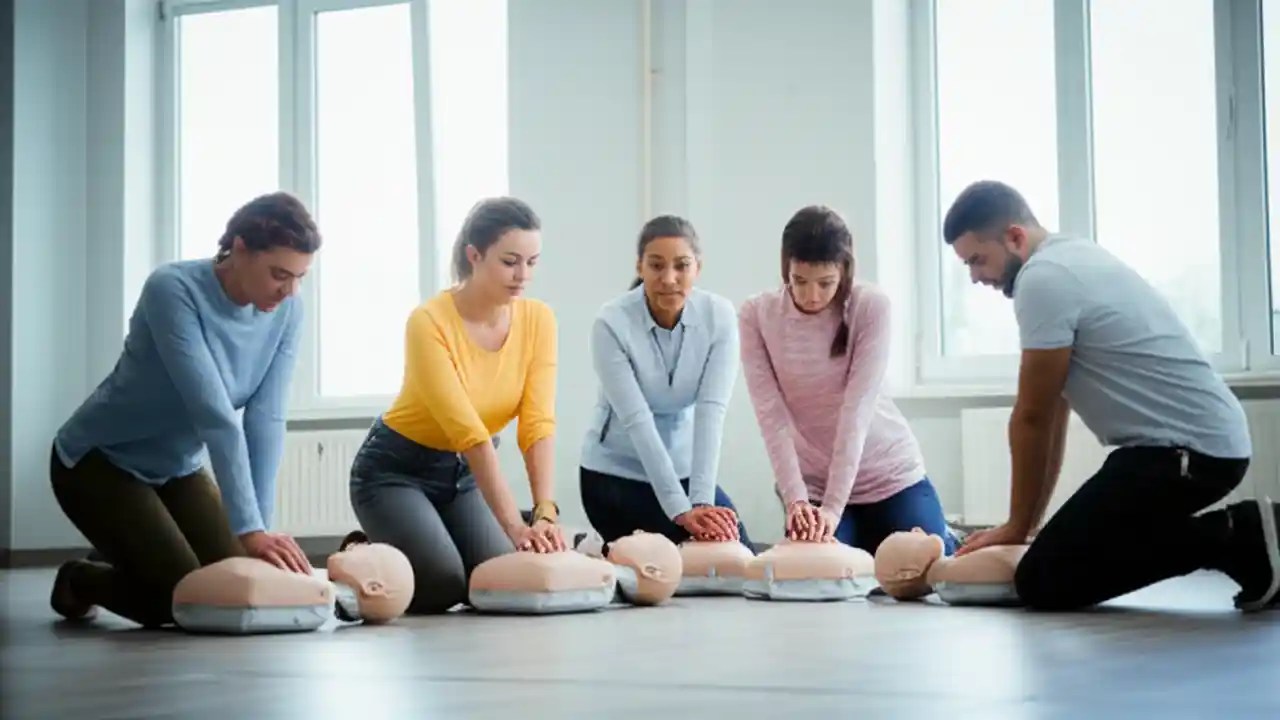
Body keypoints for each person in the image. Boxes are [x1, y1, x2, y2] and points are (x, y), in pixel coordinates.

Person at [944, 179, 1278, 612]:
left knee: (1044, 581)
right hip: (1186, 450)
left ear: (1014, 237)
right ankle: (1239, 537)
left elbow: (1033, 416)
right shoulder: (1070, 256)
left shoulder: (1043, 279)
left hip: (1186, 455)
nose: (974, 277)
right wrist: (1030, 525)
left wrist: (1016, 525)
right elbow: (1054, 410)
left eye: (978, 260)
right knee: (1058, 561)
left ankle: (1237, 534)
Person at [48, 192, 321, 628]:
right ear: (240, 248)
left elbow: (265, 420)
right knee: (178, 600)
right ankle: (80, 578)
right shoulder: (172, 289)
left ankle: (134, 543)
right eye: (278, 274)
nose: (288, 291)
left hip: (177, 468)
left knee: (231, 587)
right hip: (99, 460)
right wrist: (247, 529)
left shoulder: (288, 312)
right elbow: (214, 415)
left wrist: (260, 534)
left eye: (299, 278)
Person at [348, 197, 565, 615]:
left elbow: (537, 424)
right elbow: (471, 435)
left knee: (496, 580)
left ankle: (417, 543)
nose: (524, 276)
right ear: (474, 254)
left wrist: (544, 514)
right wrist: (515, 527)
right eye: (510, 261)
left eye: (533, 262)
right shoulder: (428, 322)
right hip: (395, 471)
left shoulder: (540, 320)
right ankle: (363, 553)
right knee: (442, 585)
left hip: (462, 477)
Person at [738, 205, 956, 556]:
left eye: (826, 283)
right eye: (799, 281)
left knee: (921, 564)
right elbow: (771, 417)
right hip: (814, 487)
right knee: (817, 570)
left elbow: (857, 411)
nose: (811, 296)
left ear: (845, 270)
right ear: (785, 269)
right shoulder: (756, 315)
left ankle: (947, 537)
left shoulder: (870, 306)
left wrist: (834, 509)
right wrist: (797, 503)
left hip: (889, 475)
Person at [579, 215, 751, 552]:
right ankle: (596, 550)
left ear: (697, 268)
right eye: (656, 266)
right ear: (640, 267)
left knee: (736, 552)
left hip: (684, 472)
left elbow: (711, 411)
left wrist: (701, 501)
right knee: (665, 565)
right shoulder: (611, 323)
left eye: (681, 266)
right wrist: (679, 510)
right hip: (614, 476)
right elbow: (637, 420)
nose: (669, 279)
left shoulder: (720, 316)